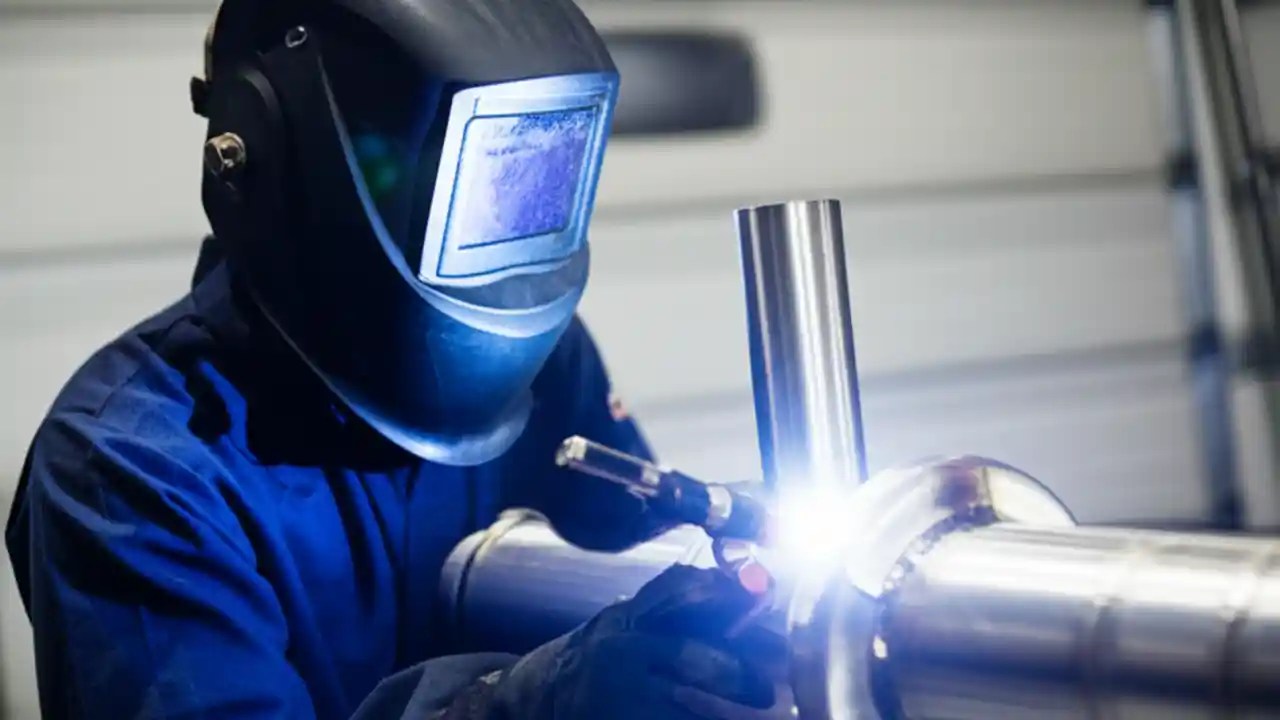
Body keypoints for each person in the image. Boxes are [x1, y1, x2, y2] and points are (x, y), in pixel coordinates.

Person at [4, 1, 783, 718]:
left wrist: (726, 595)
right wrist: (534, 702)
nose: (506, 247)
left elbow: (635, 557)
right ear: (287, 153)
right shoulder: (131, 467)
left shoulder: (545, 363)